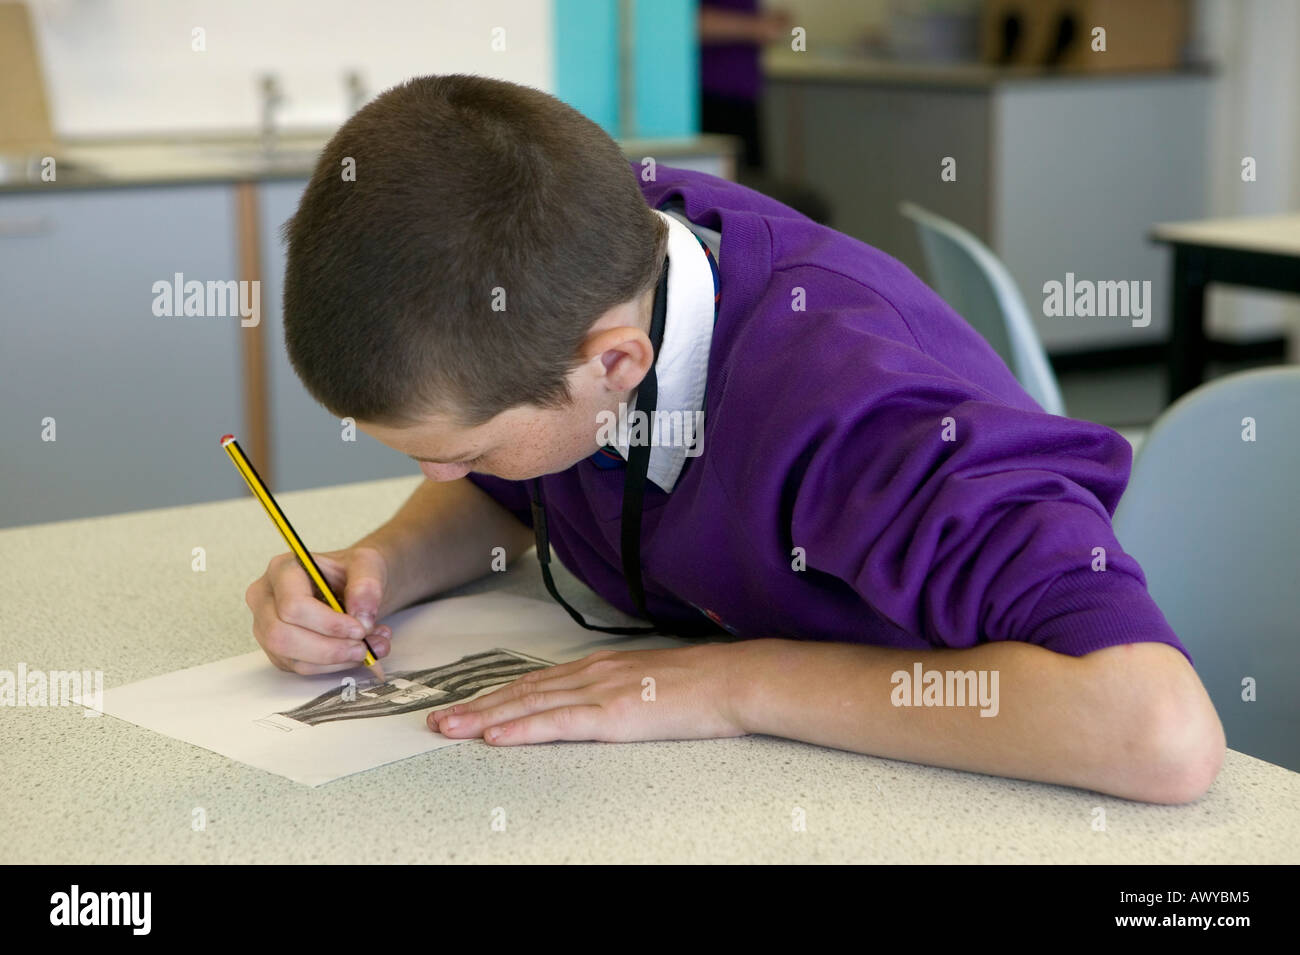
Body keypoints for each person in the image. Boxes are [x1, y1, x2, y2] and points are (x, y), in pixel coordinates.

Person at [244, 74, 1224, 804]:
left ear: (616, 366)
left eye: (465, 450)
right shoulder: (593, 255)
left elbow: (1157, 729)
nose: (439, 478)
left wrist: (732, 682)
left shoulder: (869, 423)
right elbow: (517, 483)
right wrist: (377, 567)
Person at [697, 0, 833, 224]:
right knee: (733, 202)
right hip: (714, 102)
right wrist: (755, 27)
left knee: (755, 199)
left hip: (742, 99)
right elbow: (690, 22)